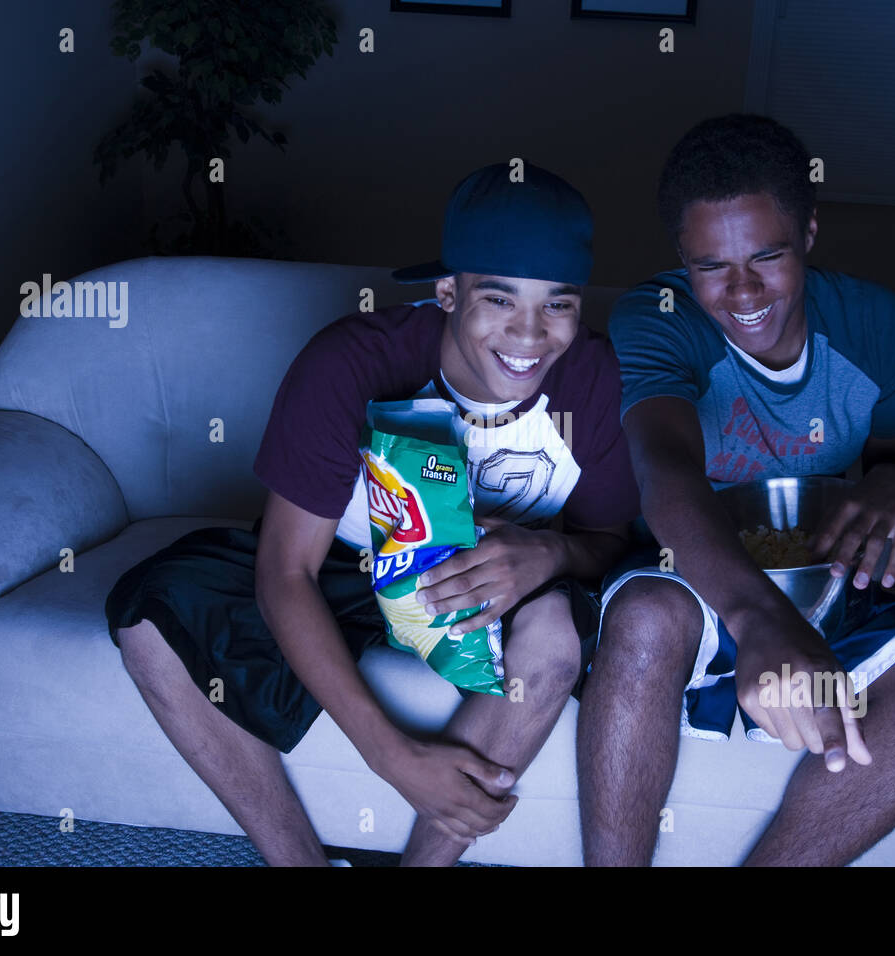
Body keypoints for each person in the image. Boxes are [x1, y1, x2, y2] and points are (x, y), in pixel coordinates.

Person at [106, 163, 637, 866]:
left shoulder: (594, 380)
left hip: (489, 587)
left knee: (556, 638)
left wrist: (552, 554)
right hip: (343, 568)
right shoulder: (350, 362)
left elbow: (606, 538)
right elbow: (285, 570)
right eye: (500, 300)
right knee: (146, 616)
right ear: (448, 293)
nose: (530, 335)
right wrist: (394, 757)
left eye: (558, 305)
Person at [577, 114, 895, 866]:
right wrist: (760, 621)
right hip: (697, 575)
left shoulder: (874, 323)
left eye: (766, 256)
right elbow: (665, 470)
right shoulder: (659, 315)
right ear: (681, 257)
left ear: (806, 232)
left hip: (826, 573)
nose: (742, 292)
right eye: (711, 265)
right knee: (643, 614)